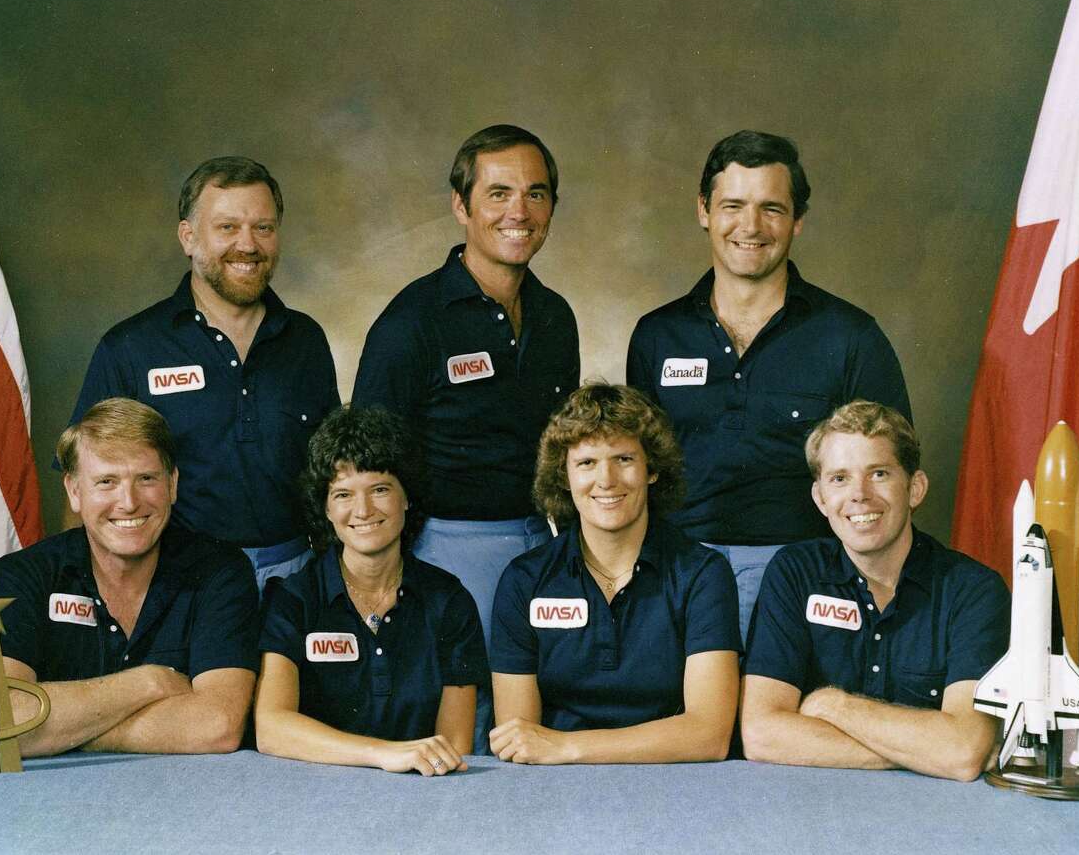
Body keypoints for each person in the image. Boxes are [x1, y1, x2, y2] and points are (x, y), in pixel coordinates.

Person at [627, 130, 911, 639]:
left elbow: (891, 475)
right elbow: (636, 473)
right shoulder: (656, 335)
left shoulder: (850, 337)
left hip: (808, 576)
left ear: (797, 221)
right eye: (733, 205)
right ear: (703, 211)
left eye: (772, 209)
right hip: (678, 577)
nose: (750, 227)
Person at [351, 124, 579, 748]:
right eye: (499, 192)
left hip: (543, 547)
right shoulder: (411, 323)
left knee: (536, 723)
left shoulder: (557, 318)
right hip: (443, 550)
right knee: (465, 725)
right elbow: (366, 457)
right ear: (461, 206)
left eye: (536, 194)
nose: (519, 211)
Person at [65, 156, 340, 591]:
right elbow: (84, 482)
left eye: (263, 228)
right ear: (188, 237)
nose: (248, 245)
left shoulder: (305, 340)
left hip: (296, 577)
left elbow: (333, 470)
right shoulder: (132, 347)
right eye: (228, 227)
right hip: (179, 582)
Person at [0, 398, 259, 756]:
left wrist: (57, 734)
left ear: (172, 484)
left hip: (188, 797)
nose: (128, 502)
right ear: (75, 491)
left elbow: (217, 728)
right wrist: (148, 682)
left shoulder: (220, 572)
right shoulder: (15, 578)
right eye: (106, 481)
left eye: (146, 479)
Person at [739, 401, 1009, 781]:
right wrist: (924, 752)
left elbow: (963, 751)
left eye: (879, 473)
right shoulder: (795, 574)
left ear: (915, 489)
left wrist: (830, 705)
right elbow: (762, 735)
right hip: (809, 808)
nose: (859, 495)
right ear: (819, 498)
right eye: (839, 479)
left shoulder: (973, 591)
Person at [489, 384, 740, 764]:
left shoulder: (702, 574)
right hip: (557, 786)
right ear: (564, 475)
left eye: (623, 459)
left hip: (673, 780)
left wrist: (568, 746)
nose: (606, 480)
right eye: (587, 463)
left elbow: (709, 735)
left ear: (652, 469)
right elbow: (519, 738)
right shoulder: (524, 580)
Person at [254, 406, 487, 775]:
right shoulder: (294, 599)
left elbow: (453, 746)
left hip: (421, 788)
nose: (362, 510)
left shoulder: (449, 600)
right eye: (343, 494)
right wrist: (383, 755)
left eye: (380, 489)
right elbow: (271, 727)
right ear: (325, 508)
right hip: (311, 792)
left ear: (407, 498)